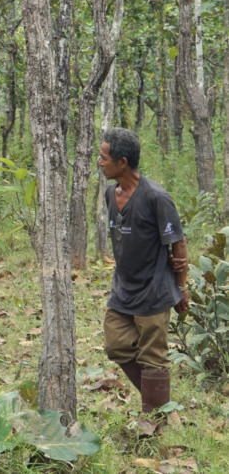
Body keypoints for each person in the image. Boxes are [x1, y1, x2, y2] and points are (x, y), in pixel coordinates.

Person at [97, 128, 190, 415]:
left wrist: (181, 288)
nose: (99, 162)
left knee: (153, 357)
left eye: (104, 157)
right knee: (116, 345)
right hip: (123, 288)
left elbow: (178, 243)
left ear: (121, 162)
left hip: (154, 289)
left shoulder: (156, 197)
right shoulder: (111, 193)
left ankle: (155, 419)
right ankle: (162, 407)